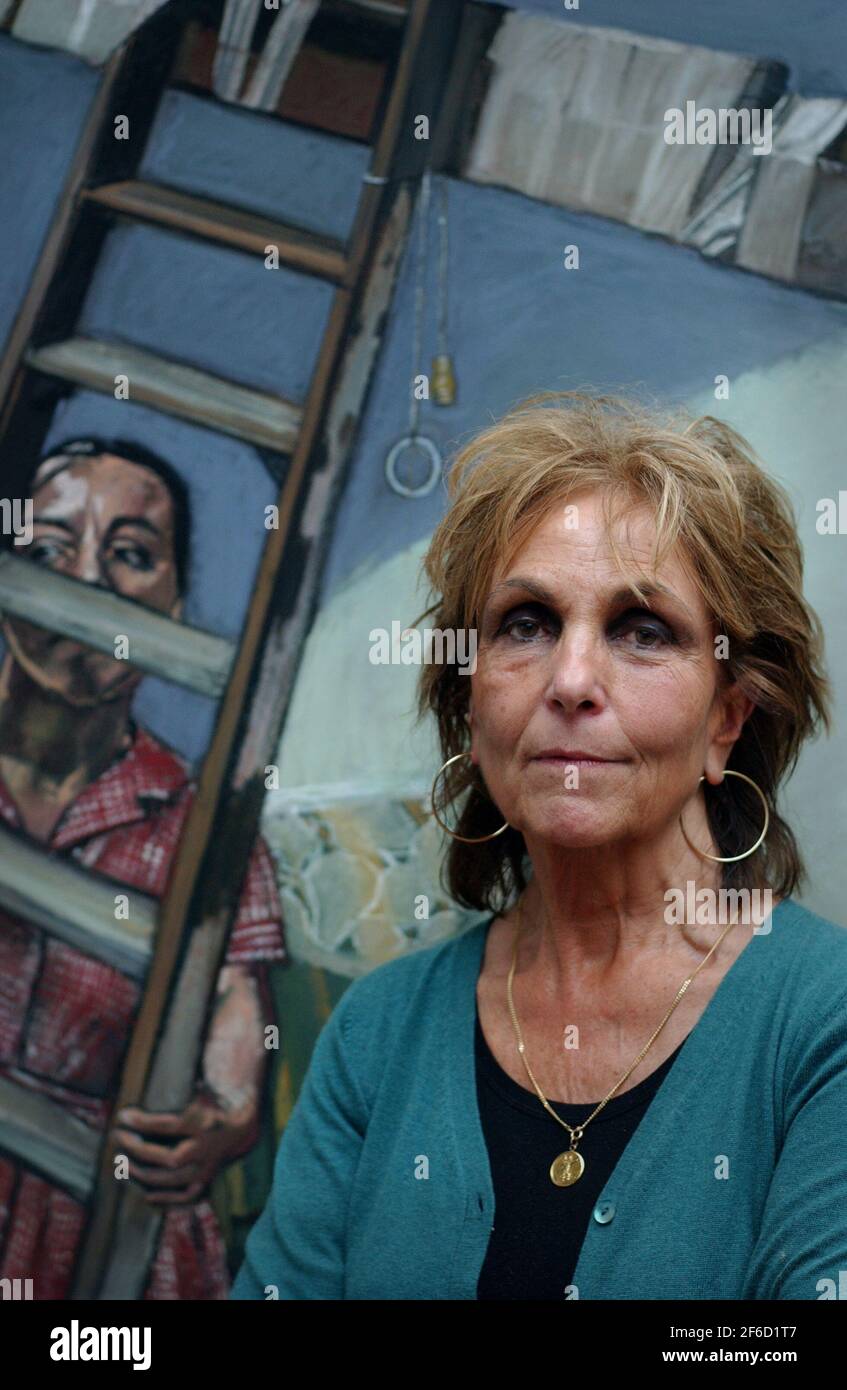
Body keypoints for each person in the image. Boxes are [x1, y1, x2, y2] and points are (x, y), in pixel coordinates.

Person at [230, 391, 847, 1301]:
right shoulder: (376, 1033)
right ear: (471, 704)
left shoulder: (822, 1024)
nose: (569, 680)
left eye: (643, 630)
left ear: (728, 716)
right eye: (526, 623)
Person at [0, 436, 288, 1299]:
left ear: (175, 600)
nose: (87, 581)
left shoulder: (201, 827)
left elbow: (239, 1019)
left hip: (101, 1228)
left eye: (129, 554)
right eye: (49, 550)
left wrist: (220, 1119)